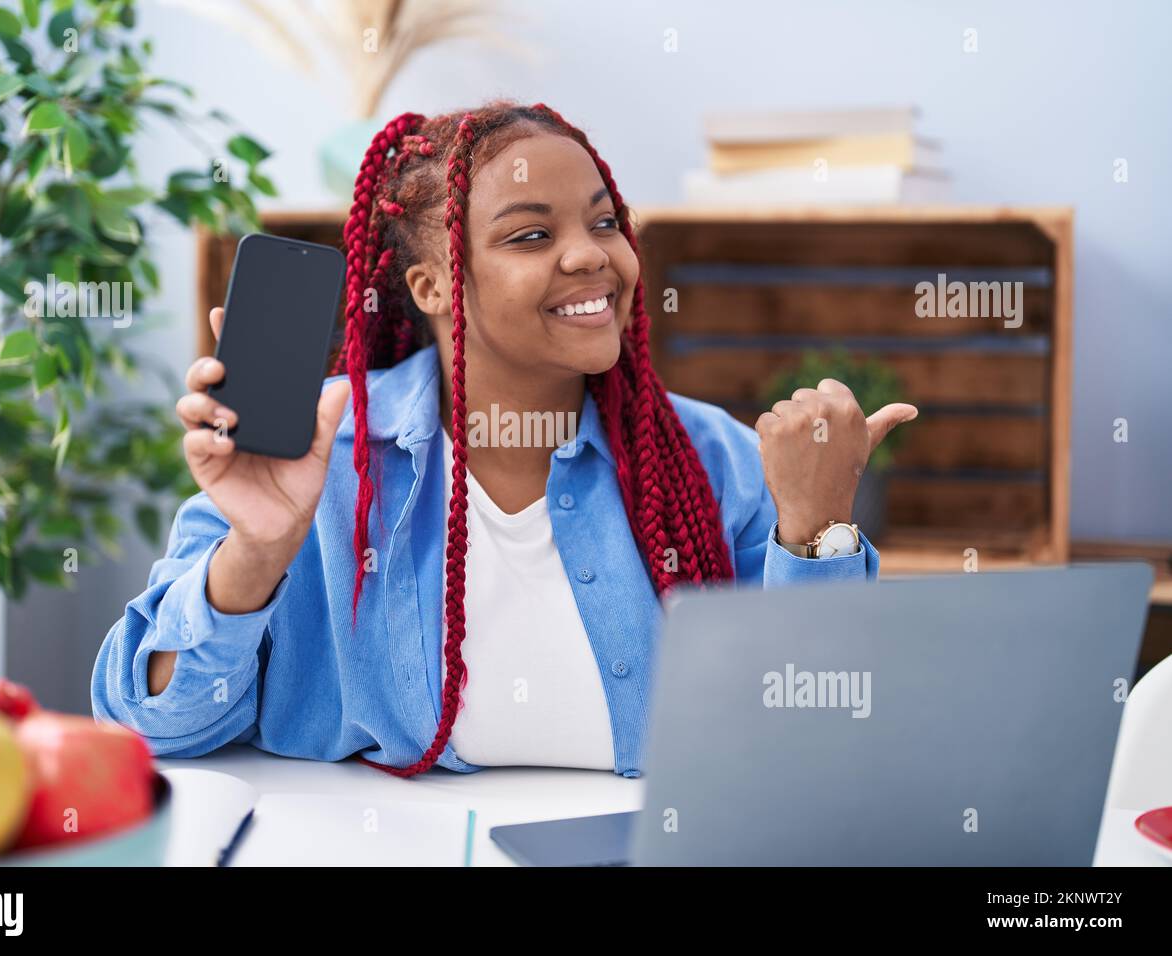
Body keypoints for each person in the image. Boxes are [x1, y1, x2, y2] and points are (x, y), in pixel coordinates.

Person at [90, 100, 917, 778]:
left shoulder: (706, 460)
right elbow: (150, 725)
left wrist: (817, 530)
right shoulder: (317, 452)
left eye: (603, 222)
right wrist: (257, 553)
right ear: (431, 285)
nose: (590, 257)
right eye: (531, 235)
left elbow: (820, 751)